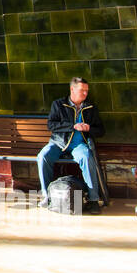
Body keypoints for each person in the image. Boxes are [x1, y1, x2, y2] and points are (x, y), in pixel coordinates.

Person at [36, 77, 105, 213]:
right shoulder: (58, 104)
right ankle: (47, 195)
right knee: (43, 156)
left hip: (79, 144)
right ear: (72, 89)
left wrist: (88, 128)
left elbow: (101, 130)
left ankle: (93, 199)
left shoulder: (90, 107)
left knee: (86, 157)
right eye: (82, 90)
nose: (85, 93)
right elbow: (51, 125)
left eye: (86, 91)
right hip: (58, 143)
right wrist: (72, 126)